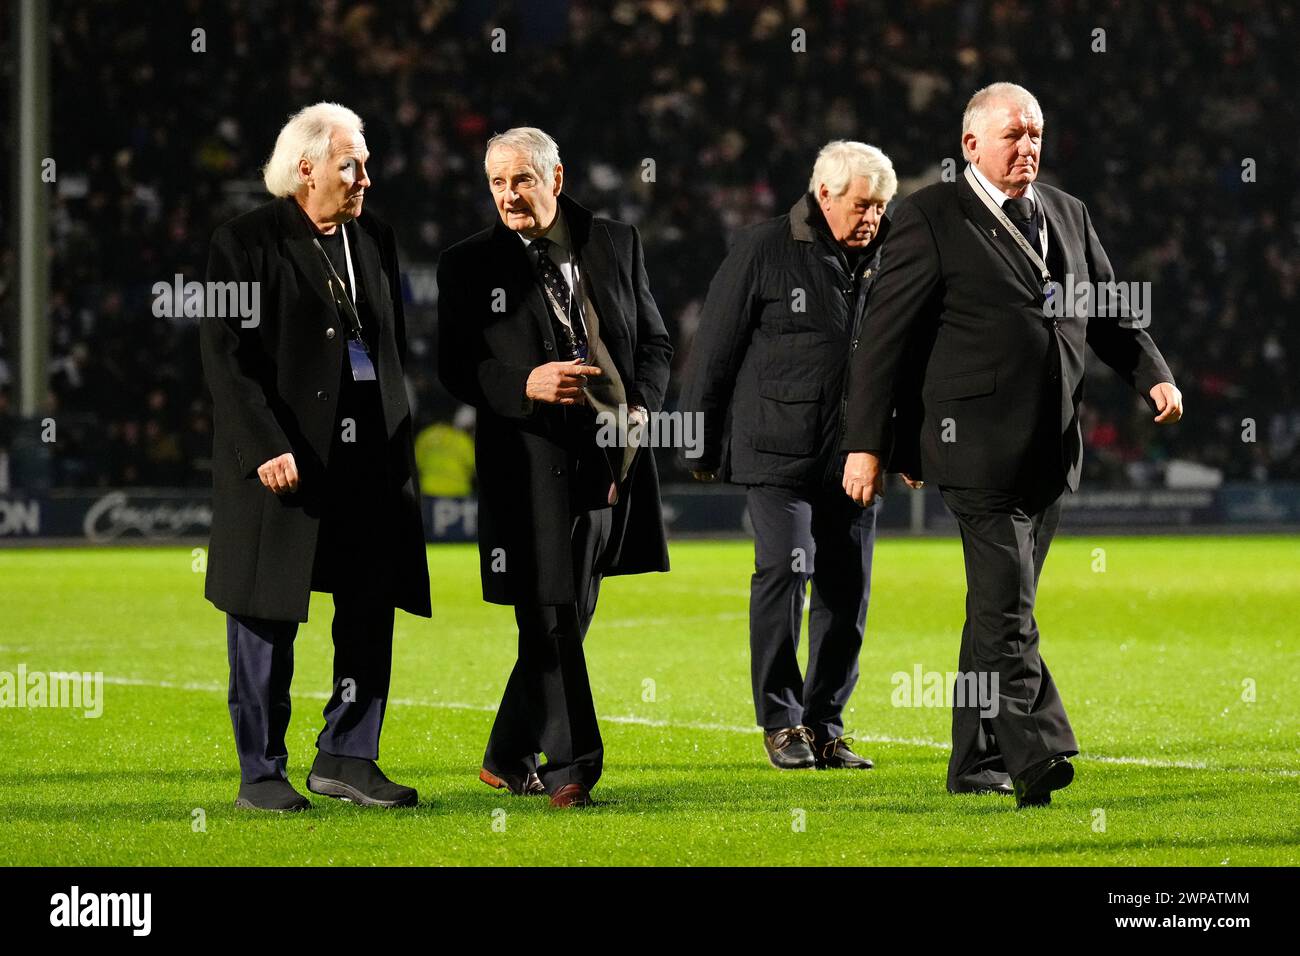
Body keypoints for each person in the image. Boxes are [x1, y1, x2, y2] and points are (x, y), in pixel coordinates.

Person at [841, 83, 1183, 808]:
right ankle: (1038, 752)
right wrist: (869, 444)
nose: (1028, 147)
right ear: (971, 145)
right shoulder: (930, 216)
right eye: (1013, 135)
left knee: (994, 610)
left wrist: (1151, 375)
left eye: (1036, 134)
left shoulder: (1067, 212)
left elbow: (1110, 311)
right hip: (972, 450)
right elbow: (883, 343)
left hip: (1051, 451)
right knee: (1009, 610)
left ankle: (972, 761)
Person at [201, 102, 431, 812]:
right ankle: (261, 772)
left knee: (369, 609)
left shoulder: (376, 239)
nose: (364, 177)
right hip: (286, 463)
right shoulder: (243, 243)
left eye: (363, 164)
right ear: (304, 169)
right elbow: (225, 357)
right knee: (266, 615)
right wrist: (265, 444)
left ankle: (348, 757)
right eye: (349, 164)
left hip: (368, 467)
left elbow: (385, 350)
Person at [436, 127, 672, 808]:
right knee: (549, 616)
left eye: (521, 181)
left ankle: (507, 754)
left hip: (608, 460)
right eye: (496, 183)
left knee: (569, 612)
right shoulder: (469, 263)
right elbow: (455, 365)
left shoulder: (615, 242)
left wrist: (644, 411)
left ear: (556, 179)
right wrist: (523, 384)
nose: (508, 196)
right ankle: (574, 766)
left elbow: (654, 342)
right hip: (527, 464)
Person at [679, 141, 899, 771]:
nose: (873, 219)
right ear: (823, 194)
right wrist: (698, 439)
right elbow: (714, 347)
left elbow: (903, 360)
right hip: (776, 451)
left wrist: (899, 445)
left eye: (882, 207)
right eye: (863, 205)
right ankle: (782, 721)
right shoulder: (762, 249)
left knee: (847, 591)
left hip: (856, 458)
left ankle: (825, 724)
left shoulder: (890, 256)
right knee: (785, 572)